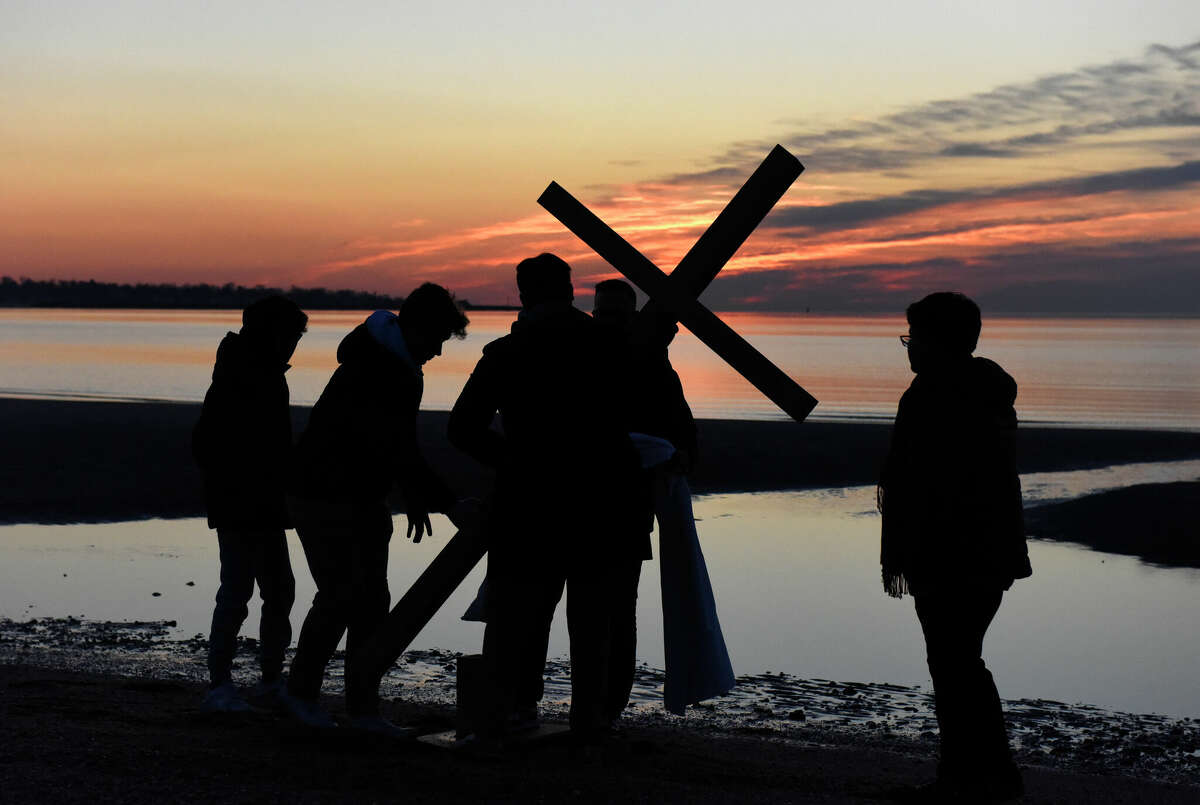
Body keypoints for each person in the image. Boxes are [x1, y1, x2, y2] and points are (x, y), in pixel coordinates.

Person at [448, 254, 646, 742]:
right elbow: (639, 413)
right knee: (594, 619)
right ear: (572, 291)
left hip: (528, 504)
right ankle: (591, 719)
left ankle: (515, 708)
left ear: (523, 295)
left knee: (518, 614)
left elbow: (462, 427)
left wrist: (514, 461)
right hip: (600, 502)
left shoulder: (506, 353)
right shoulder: (611, 345)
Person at [285, 283, 468, 734]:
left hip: (360, 497)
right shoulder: (377, 367)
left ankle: (362, 709)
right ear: (417, 327)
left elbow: (395, 442)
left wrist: (414, 496)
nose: (439, 351)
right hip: (324, 495)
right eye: (438, 338)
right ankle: (301, 695)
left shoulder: (395, 363)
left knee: (370, 602)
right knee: (342, 596)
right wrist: (447, 503)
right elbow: (392, 444)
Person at [878, 292, 1031, 804]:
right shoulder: (975, 392)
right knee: (958, 663)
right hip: (979, 550)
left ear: (939, 341)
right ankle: (980, 774)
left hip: (955, 551)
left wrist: (919, 540)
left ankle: (974, 777)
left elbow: (943, 481)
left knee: (955, 664)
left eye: (915, 338)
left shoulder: (944, 396)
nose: (910, 348)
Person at [192, 294, 307, 712]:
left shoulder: (261, 371)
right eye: (291, 337)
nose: (294, 346)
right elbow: (208, 442)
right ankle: (221, 684)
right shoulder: (243, 374)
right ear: (272, 334)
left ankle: (268, 679)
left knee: (276, 589)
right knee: (240, 589)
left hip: (260, 499)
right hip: (242, 500)